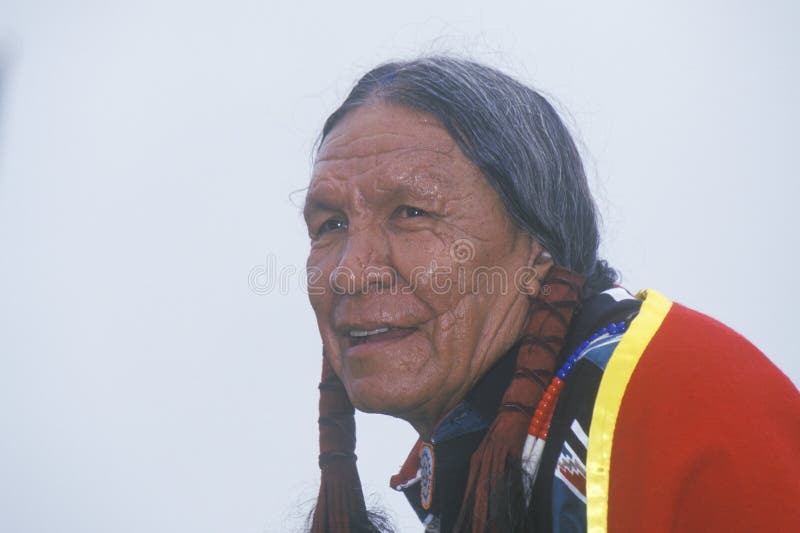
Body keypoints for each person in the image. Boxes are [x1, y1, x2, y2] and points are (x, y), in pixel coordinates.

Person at [301, 56, 800, 532]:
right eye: (331, 224)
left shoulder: (688, 403)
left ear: (538, 244)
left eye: (412, 213)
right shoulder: (475, 452)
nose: (349, 273)